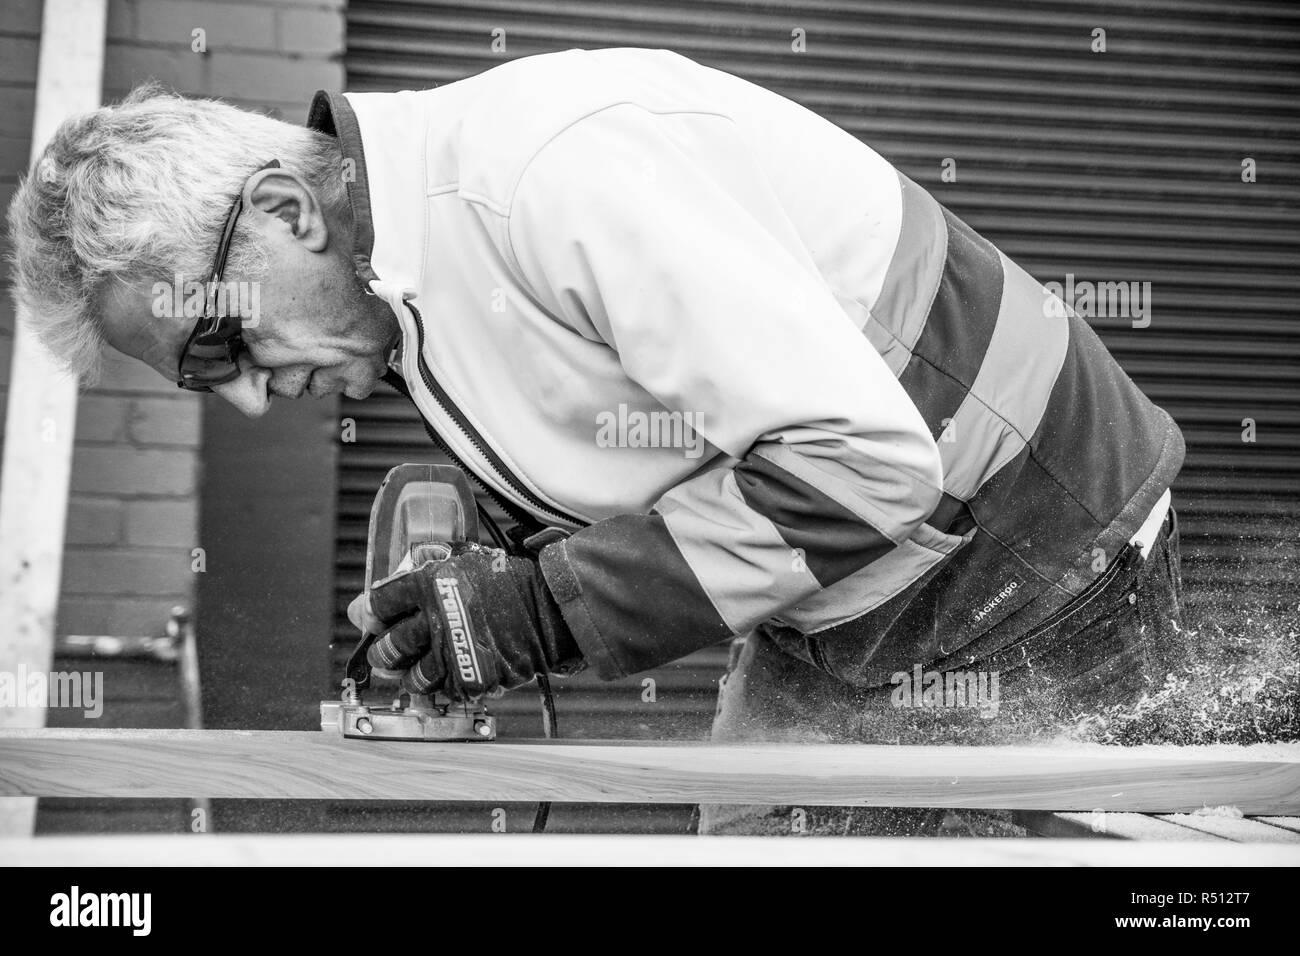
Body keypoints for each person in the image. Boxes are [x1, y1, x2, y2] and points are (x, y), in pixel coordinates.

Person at [7, 47, 1186, 835]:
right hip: (865, 592)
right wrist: (495, 586)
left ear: (283, 212)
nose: (252, 402)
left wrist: (547, 607)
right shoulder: (412, 286)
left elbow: (858, 462)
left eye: (220, 350)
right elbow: (670, 461)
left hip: (1033, 545)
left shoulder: (547, 178)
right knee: (753, 845)